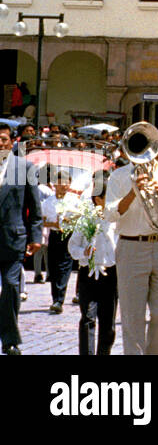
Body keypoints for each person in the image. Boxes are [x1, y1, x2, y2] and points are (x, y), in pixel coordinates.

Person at [104, 146, 158, 355]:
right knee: (133, 317)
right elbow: (110, 214)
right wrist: (133, 193)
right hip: (132, 246)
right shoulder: (118, 175)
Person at [0, 125, 41, 354]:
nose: (0, 144)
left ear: (12, 141)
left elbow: (34, 206)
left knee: (11, 287)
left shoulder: (22, 167)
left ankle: (9, 339)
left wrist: (36, 236)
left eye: (4, 140)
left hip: (13, 239)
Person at [68, 179, 117, 355]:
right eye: (108, 197)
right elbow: (73, 247)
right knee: (88, 317)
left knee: (107, 321)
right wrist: (84, 252)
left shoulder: (116, 220)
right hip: (88, 272)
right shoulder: (86, 219)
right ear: (98, 199)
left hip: (110, 274)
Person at [40, 166, 78, 314]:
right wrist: (53, 224)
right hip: (54, 235)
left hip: (68, 235)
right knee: (54, 268)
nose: (64, 185)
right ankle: (55, 297)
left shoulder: (74, 201)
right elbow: (42, 221)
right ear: (54, 184)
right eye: (61, 182)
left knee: (64, 266)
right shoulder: (48, 201)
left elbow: (81, 217)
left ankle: (59, 300)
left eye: (67, 182)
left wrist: (71, 220)